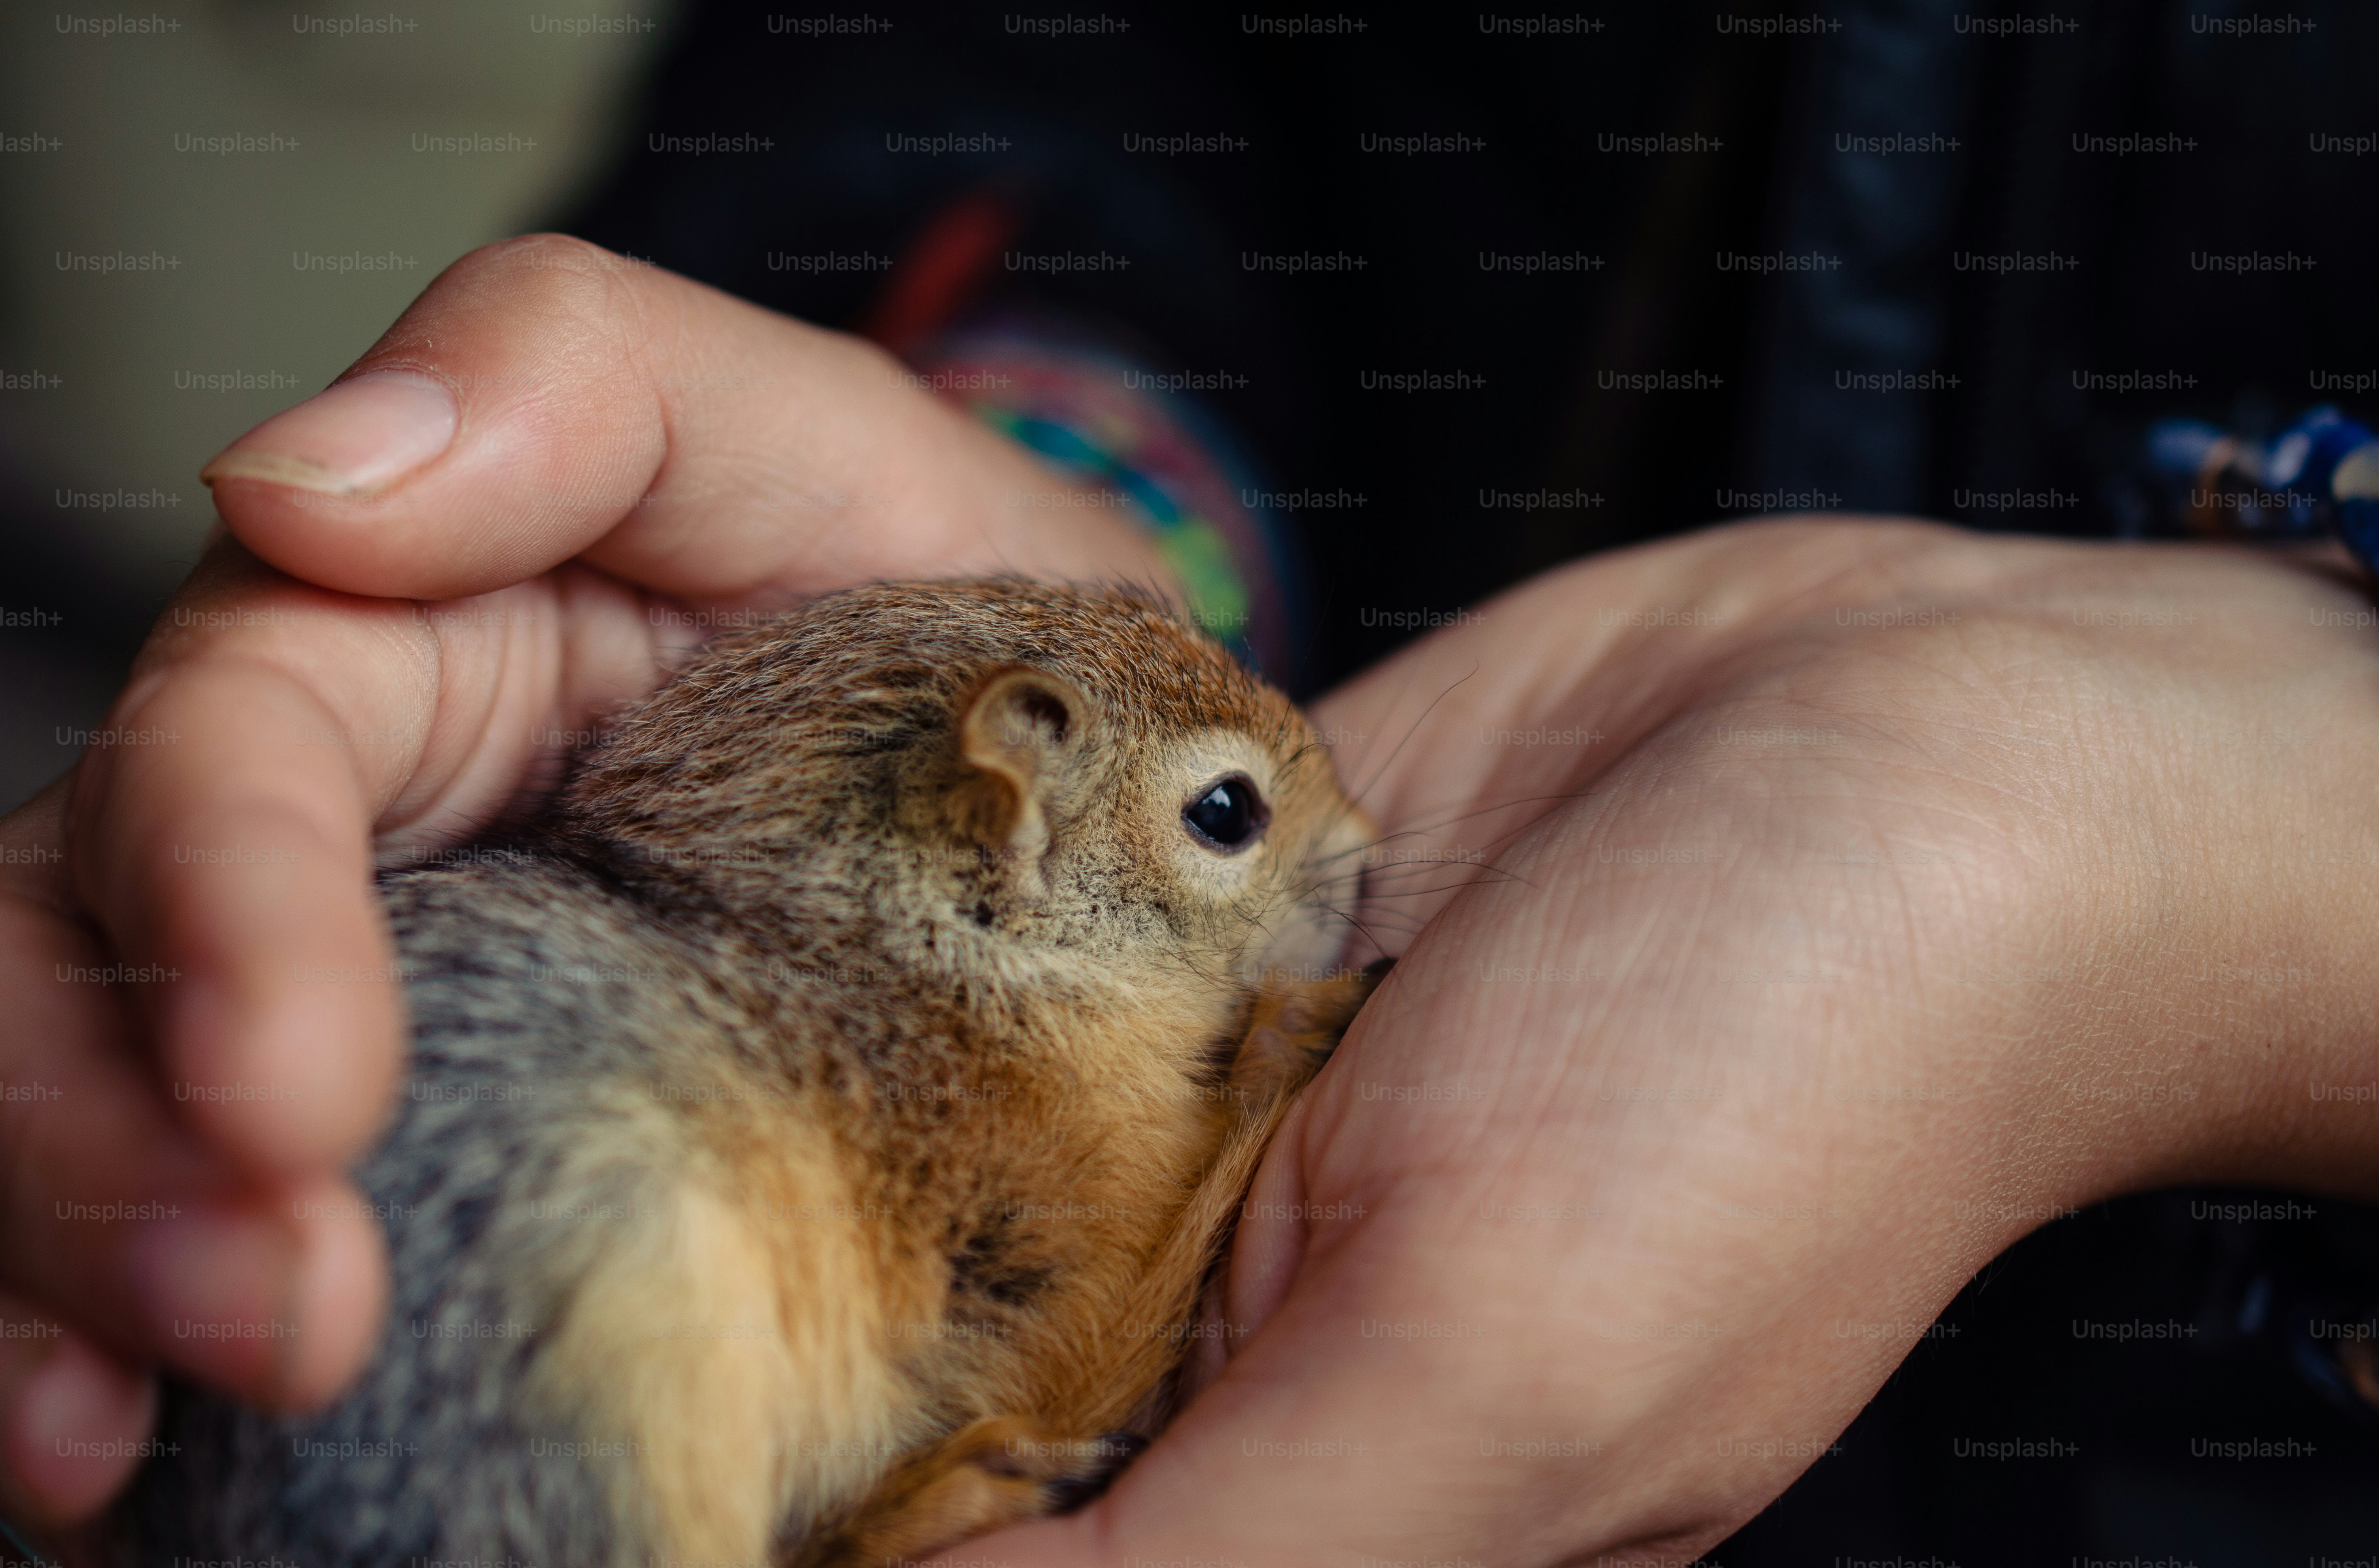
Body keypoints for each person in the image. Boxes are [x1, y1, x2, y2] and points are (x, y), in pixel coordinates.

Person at [5, 240, 2378, 1564]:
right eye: (1230, 830)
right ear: (1009, 827)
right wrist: (1058, 449)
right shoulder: (984, 1038)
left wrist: (2221, 859)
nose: (1334, 880)